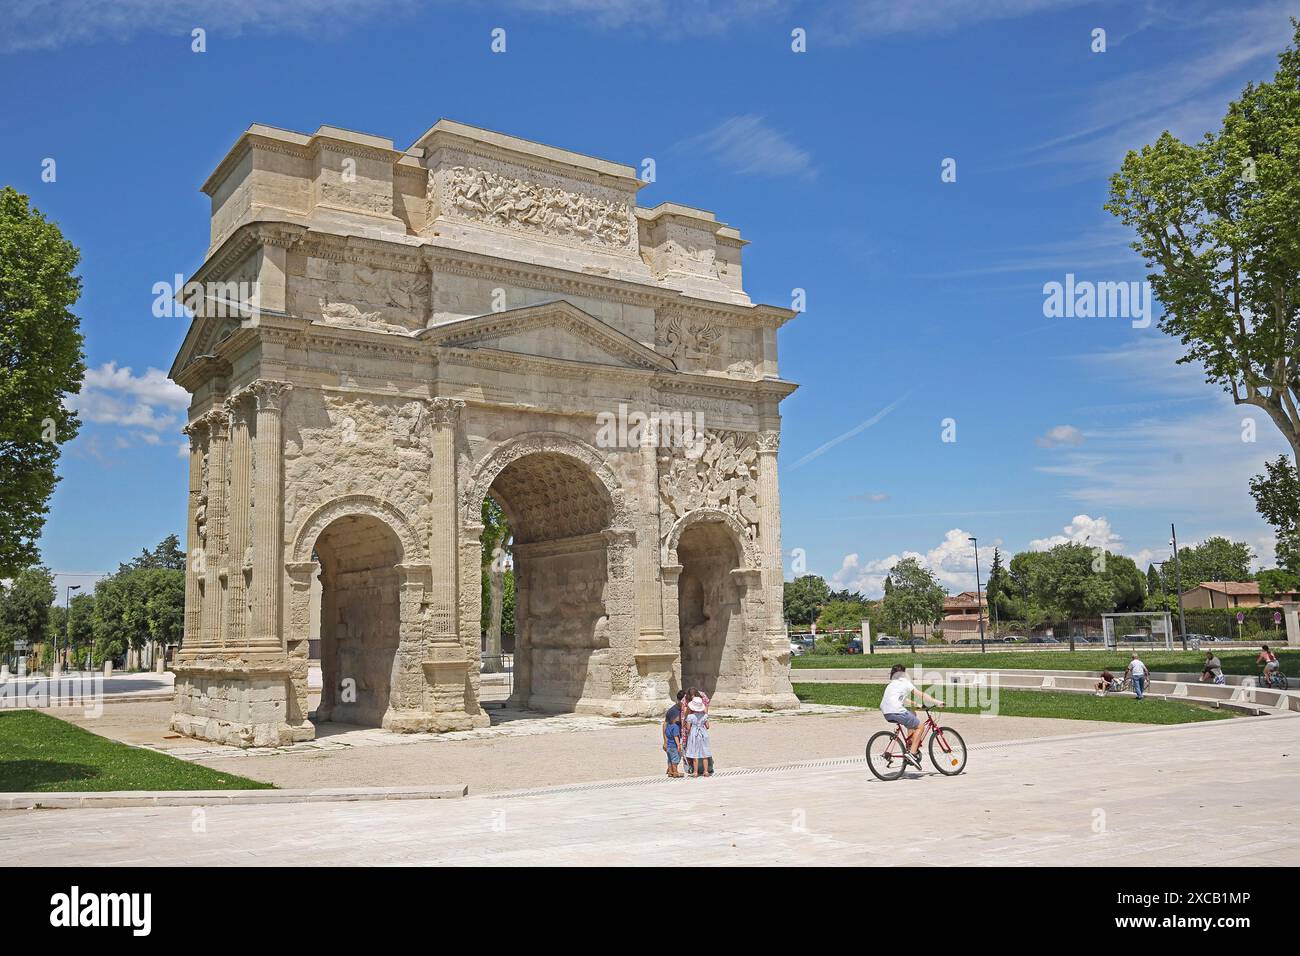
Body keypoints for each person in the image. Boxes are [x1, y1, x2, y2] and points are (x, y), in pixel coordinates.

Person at [879, 664, 944, 765]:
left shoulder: (891, 684)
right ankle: (912, 754)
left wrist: (917, 704)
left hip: (886, 712)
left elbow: (903, 699)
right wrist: (936, 702)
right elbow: (921, 694)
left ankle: (910, 745)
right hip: (896, 710)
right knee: (920, 727)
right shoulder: (905, 682)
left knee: (912, 713)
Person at [683, 696, 711, 778]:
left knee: (695, 753)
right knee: (704, 753)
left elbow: (688, 728)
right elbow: (708, 726)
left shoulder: (690, 717)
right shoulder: (704, 716)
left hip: (694, 734)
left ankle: (695, 772)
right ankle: (706, 771)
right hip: (703, 734)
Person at [662, 690, 686, 770]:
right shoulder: (672, 711)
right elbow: (665, 725)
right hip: (675, 738)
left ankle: (671, 769)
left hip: (683, 736)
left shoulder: (687, 708)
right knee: (675, 755)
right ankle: (672, 770)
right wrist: (665, 741)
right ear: (679, 700)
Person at [664, 709, 684, 778]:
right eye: (678, 716)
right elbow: (676, 736)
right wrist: (678, 745)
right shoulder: (675, 726)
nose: (679, 717)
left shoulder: (668, 726)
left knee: (669, 759)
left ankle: (670, 772)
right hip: (673, 746)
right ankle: (675, 772)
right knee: (675, 759)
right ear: (673, 718)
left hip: (669, 746)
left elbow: (666, 735)